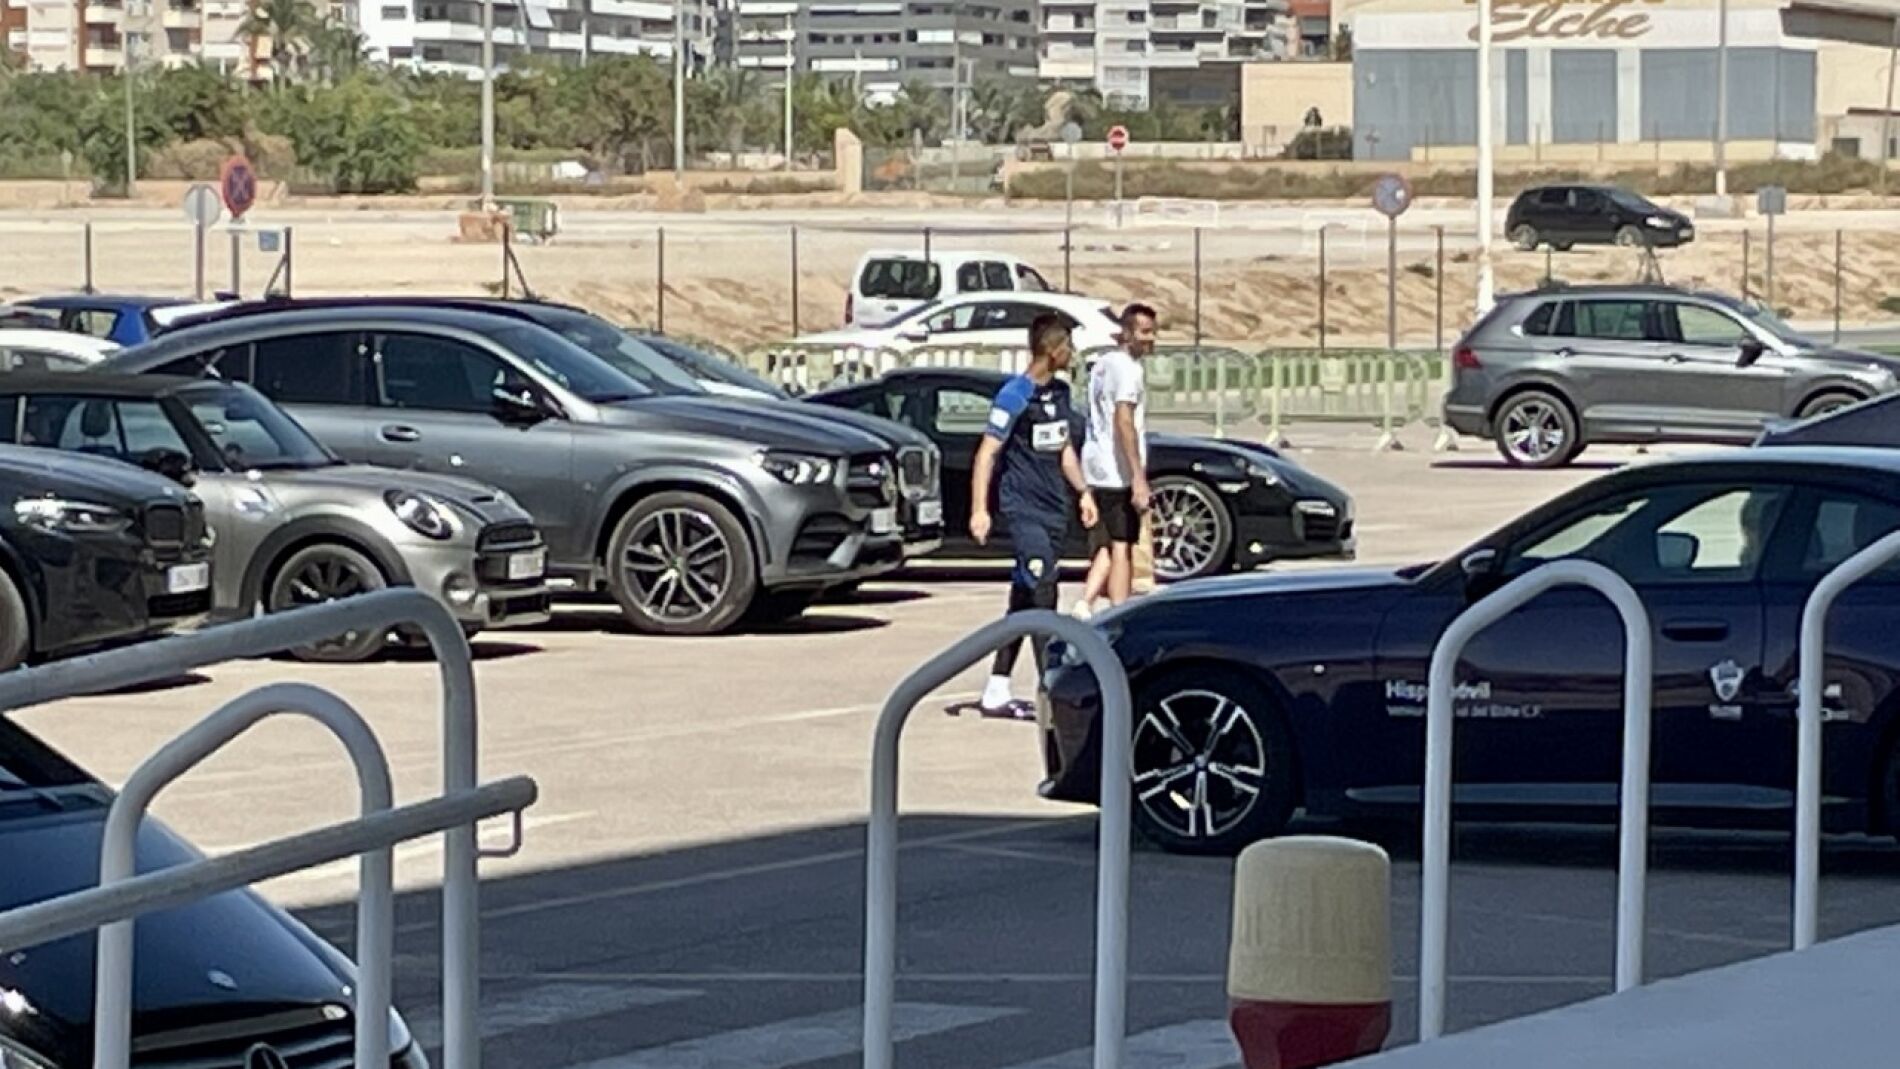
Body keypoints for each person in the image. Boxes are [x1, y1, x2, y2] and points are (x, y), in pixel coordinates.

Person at [969, 313, 1098, 718]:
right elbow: (987, 453)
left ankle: (996, 688)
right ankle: (1052, 692)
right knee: (1045, 592)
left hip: (1053, 508)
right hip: (1022, 509)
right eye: (1069, 347)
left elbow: (1064, 451)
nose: (1072, 355)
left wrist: (1083, 492)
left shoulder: (1058, 394)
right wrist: (979, 510)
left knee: (1024, 597)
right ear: (1052, 349)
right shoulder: (1014, 395)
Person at [1073, 302, 1157, 616]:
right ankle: (1118, 612)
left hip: (1096, 464)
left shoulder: (1103, 364)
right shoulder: (1127, 369)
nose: (1150, 339)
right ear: (1126, 333)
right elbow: (1124, 419)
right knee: (1123, 546)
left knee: (1107, 543)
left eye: (1152, 332)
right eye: (1144, 332)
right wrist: (1137, 476)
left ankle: (1085, 602)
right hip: (1115, 470)